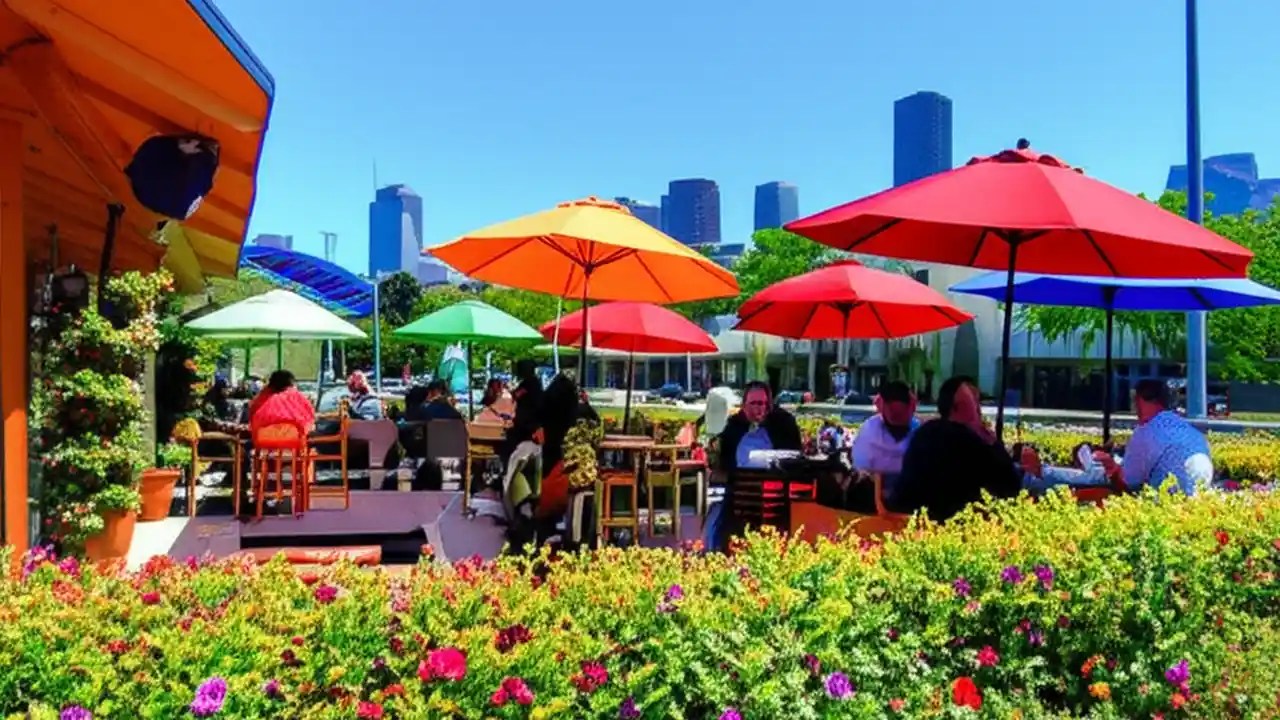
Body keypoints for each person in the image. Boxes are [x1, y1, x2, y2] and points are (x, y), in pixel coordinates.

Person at [892, 376, 1021, 522]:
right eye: (974, 402)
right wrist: (990, 440)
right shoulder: (966, 441)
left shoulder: (926, 432)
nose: (979, 410)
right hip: (953, 522)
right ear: (958, 407)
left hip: (911, 515)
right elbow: (1010, 487)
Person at [1094, 379, 1213, 495]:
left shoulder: (1146, 430)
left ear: (1139, 401)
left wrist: (1111, 466)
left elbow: (1128, 483)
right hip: (1201, 492)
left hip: (1170, 498)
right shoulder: (1181, 425)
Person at [851, 381, 920, 504]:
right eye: (894, 413)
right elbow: (861, 467)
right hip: (872, 499)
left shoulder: (919, 431)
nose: (897, 416)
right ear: (881, 406)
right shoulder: (870, 430)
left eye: (901, 413)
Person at [718, 381, 804, 472]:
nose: (757, 408)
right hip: (740, 479)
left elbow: (793, 457)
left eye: (762, 403)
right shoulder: (734, 426)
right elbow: (724, 460)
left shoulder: (783, 424)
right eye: (753, 403)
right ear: (744, 405)